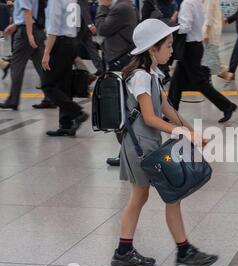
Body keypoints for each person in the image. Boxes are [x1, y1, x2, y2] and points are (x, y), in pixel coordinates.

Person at [112, 19, 219, 266]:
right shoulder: (139, 77)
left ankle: (134, 250)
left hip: (149, 144)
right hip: (139, 147)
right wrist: (183, 132)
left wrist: (193, 132)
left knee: (158, 196)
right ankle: (174, 252)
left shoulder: (152, 74)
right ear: (152, 49)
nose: (172, 50)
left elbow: (168, 108)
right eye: (168, 45)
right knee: (155, 196)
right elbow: (149, 117)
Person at [168, 0, 238, 124]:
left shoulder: (187, 4)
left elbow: (185, 27)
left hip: (189, 47)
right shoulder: (197, 2)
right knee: (176, 82)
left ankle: (227, 106)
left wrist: (171, 28)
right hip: (195, 45)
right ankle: (171, 112)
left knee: (199, 82)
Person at [96, 0, 138, 166]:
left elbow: (102, 29)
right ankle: (126, 152)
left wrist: (102, 7)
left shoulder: (121, 8)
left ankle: (128, 153)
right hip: (121, 61)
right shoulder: (126, 6)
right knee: (122, 109)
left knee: (119, 109)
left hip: (119, 63)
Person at [42, 0, 89, 136]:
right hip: (72, 42)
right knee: (64, 85)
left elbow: (54, 27)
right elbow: (77, 24)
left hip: (60, 43)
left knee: (48, 85)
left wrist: (46, 52)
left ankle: (77, 112)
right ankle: (66, 124)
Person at [0, 0, 54, 111]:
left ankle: (13, 100)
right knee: (42, 66)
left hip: (26, 33)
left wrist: (29, 35)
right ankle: (51, 97)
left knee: (16, 66)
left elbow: (28, 11)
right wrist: (16, 24)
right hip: (37, 30)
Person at [202, 0, 227, 77]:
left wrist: (206, 31)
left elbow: (208, 16)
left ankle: (222, 71)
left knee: (209, 55)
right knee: (211, 53)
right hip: (214, 30)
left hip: (211, 31)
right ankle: (222, 70)